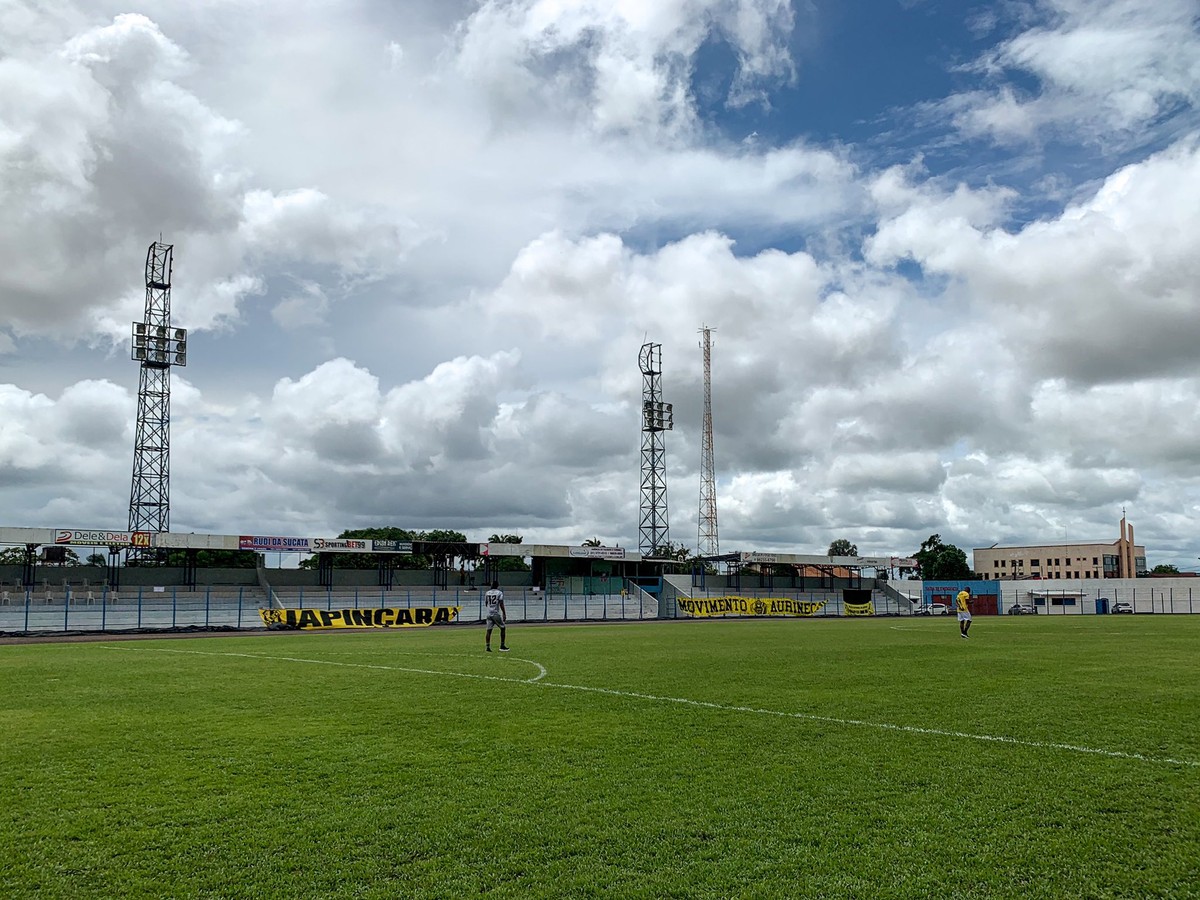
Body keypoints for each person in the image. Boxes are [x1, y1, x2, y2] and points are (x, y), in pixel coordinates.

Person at [483, 580, 509, 652]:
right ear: (497, 586)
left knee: (489, 630)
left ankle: (487, 647)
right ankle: (502, 645)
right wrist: (504, 613)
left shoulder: (487, 593)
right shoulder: (499, 593)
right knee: (503, 628)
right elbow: (501, 603)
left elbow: (486, 603)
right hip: (495, 613)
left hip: (489, 613)